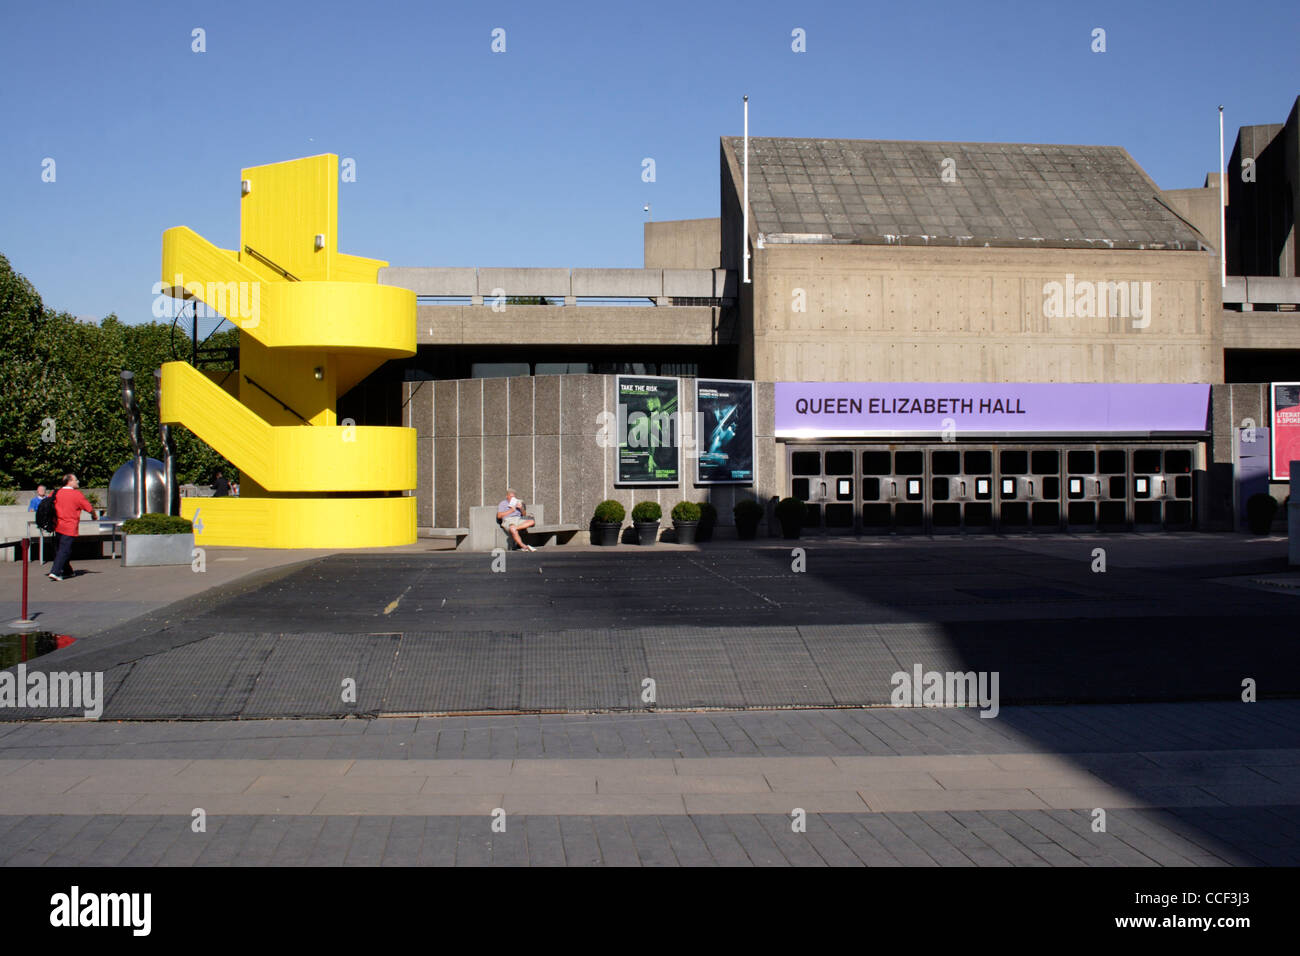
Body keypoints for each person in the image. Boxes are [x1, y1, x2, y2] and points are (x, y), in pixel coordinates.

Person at [49, 473, 96, 581]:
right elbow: (89, 508)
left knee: (62, 549)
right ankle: (55, 572)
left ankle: (68, 571)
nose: (78, 481)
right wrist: (94, 515)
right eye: (76, 480)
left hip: (57, 525)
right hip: (70, 526)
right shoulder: (76, 494)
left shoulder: (55, 493)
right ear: (69, 481)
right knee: (64, 550)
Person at [496, 487, 537, 551]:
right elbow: (499, 516)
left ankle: (515, 528)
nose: (512, 498)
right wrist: (511, 510)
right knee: (512, 528)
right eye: (511, 496)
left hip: (518, 519)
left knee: (532, 521)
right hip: (508, 520)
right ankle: (524, 546)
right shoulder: (503, 503)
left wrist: (521, 508)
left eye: (513, 497)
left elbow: (524, 515)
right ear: (507, 496)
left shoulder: (517, 502)